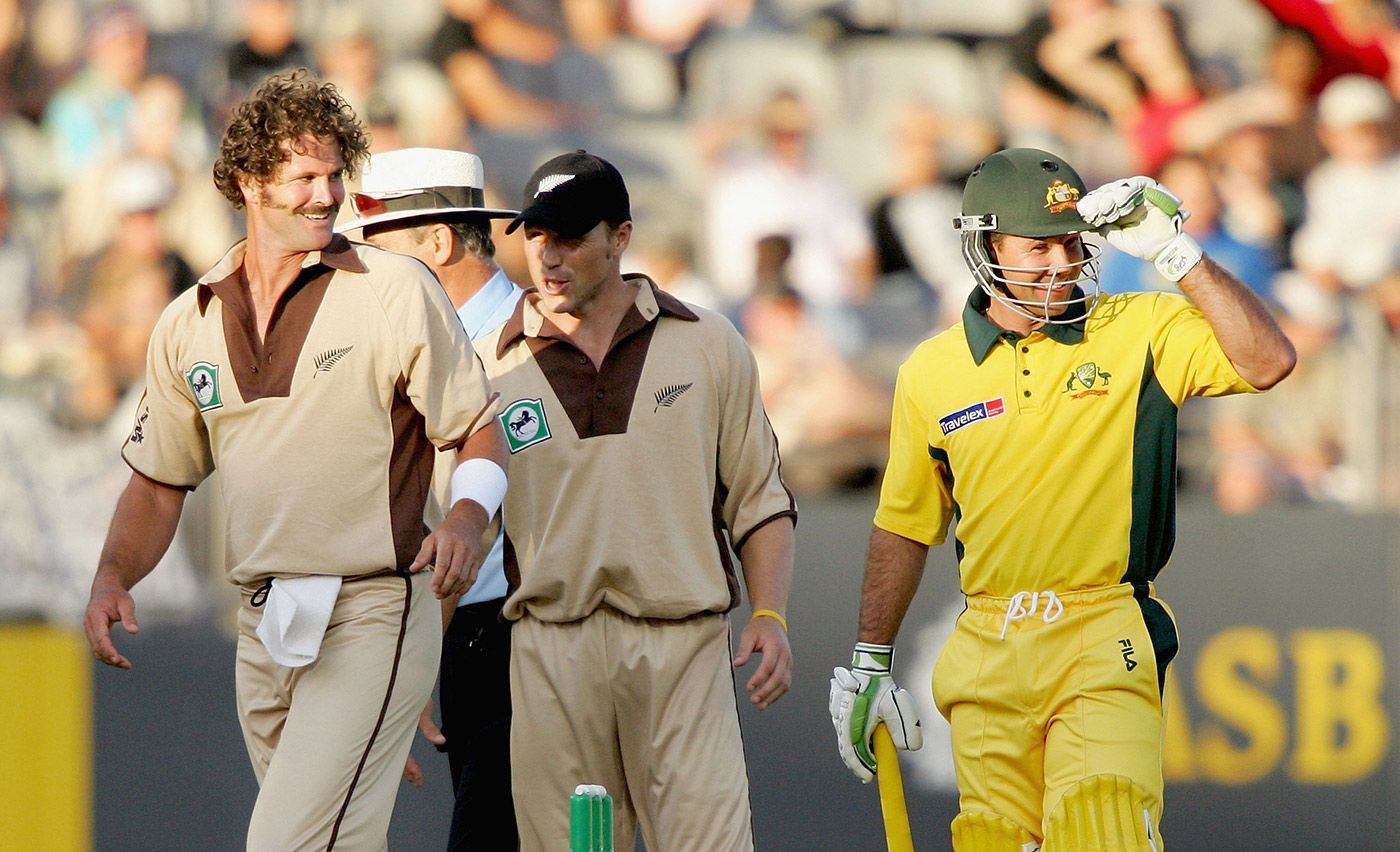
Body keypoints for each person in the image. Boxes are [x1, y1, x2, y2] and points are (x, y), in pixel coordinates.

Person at [82, 70, 509, 850]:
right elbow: (158, 480)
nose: (326, 195)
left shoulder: (395, 288)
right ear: (248, 182)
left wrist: (470, 518)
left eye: (335, 175)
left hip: (373, 610)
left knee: (284, 845)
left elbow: (479, 427)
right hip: (263, 625)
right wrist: (114, 577)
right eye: (304, 176)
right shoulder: (190, 317)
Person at [828, 148, 1295, 850]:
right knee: (989, 839)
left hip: (1104, 630)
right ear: (985, 246)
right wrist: (870, 661)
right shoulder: (930, 370)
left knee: (1101, 826)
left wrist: (1177, 253)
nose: (1061, 263)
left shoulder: (1141, 328)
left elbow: (1268, 361)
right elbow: (904, 525)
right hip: (986, 640)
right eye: (1038, 246)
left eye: (1073, 243)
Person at [477, 150, 796, 850]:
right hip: (549, 649)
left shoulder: (710, 344)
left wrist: (769, 613)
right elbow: (454, 529)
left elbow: (759, 499)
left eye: (569, 238)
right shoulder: (486, 366)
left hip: (683, 647)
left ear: (621, 238)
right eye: (536, 237)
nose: (548, 257)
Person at [337, 145, 522, 850]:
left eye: (375, 242)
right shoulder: (413, 344)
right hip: (464, 638)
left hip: (522, 633)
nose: (360, 264)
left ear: (438, 241)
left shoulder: (529, 341)